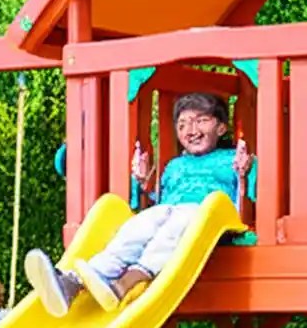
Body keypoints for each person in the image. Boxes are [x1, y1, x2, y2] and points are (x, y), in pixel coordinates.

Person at [24, 92, 254, 316]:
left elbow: (245, 200)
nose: (191, 130)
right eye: (182, 124)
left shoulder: (231, 159)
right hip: (170, 211)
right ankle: (75, 282)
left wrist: (244, 174)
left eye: (201, 121)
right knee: (139, 225)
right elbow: (158, 202)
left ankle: (131, 279)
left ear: (221, 128)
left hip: (209, 218)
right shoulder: (174, 166)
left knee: (177, 225)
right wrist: (144, 183)